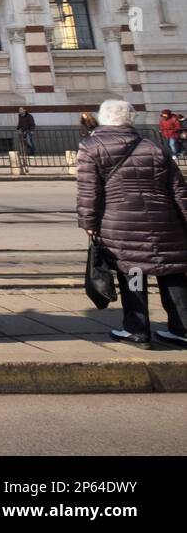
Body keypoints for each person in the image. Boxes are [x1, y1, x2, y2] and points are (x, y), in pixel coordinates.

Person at [77, 99, 187, 349]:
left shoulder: (92, 146)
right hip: (165, 220)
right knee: (172, 272)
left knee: (134, 273)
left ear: (103, 118)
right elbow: (178, 189)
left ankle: (137, 330)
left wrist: (89, 222)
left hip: (122, 222)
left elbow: (89, 190)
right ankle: (182, 329)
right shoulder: (153, 145)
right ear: (131, 119)